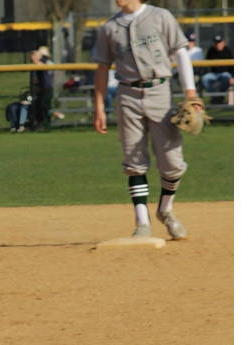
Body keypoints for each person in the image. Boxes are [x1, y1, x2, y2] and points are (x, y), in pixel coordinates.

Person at [93, 0, 201, 240]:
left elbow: (180, 53)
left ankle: (165, 210)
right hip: (127, 95)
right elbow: (102, 67)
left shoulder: (160, 16)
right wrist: (99, 107)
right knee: (134, 161)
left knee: (173, 163)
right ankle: (142, 222)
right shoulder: (109, 28)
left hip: (160, 92)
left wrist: (190, 92)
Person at [28, 46, 55, 130]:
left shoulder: (45, 61)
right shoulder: (45, 61)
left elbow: (40, 64)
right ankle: (42, 123)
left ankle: (45, 123)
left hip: (47, 87)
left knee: (44, 105)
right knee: (41, 105)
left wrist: (35, 59)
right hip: (44, 87)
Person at [201, 34, 233, 101]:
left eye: (219, 42)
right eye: (216, 43)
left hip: (225, 73)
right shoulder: (211, 50)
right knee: (205, 78)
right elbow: (206, 64)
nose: (218, 44)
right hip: (213, 74)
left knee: (226, 77)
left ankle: (220, 97)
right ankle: (214, 96)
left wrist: (233, 77)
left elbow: (233, 66)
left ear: (223, 43)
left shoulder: (227, 50)